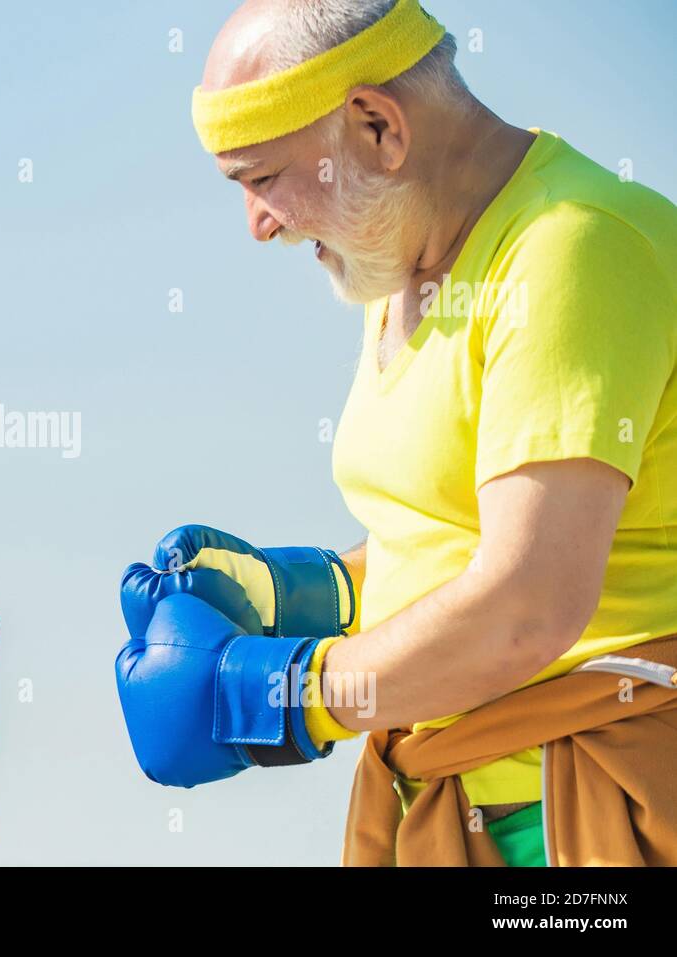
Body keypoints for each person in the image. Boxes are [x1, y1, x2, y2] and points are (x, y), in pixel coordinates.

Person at [116, 0, 677, 866]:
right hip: (459, 810)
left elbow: (528, 604)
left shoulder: (571, 248)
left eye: (261, 179)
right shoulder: (405, 261)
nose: (258, 224)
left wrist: (278, 697)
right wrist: (305, 592)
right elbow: (449, 533)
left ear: (377, 126)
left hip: (585, 818)